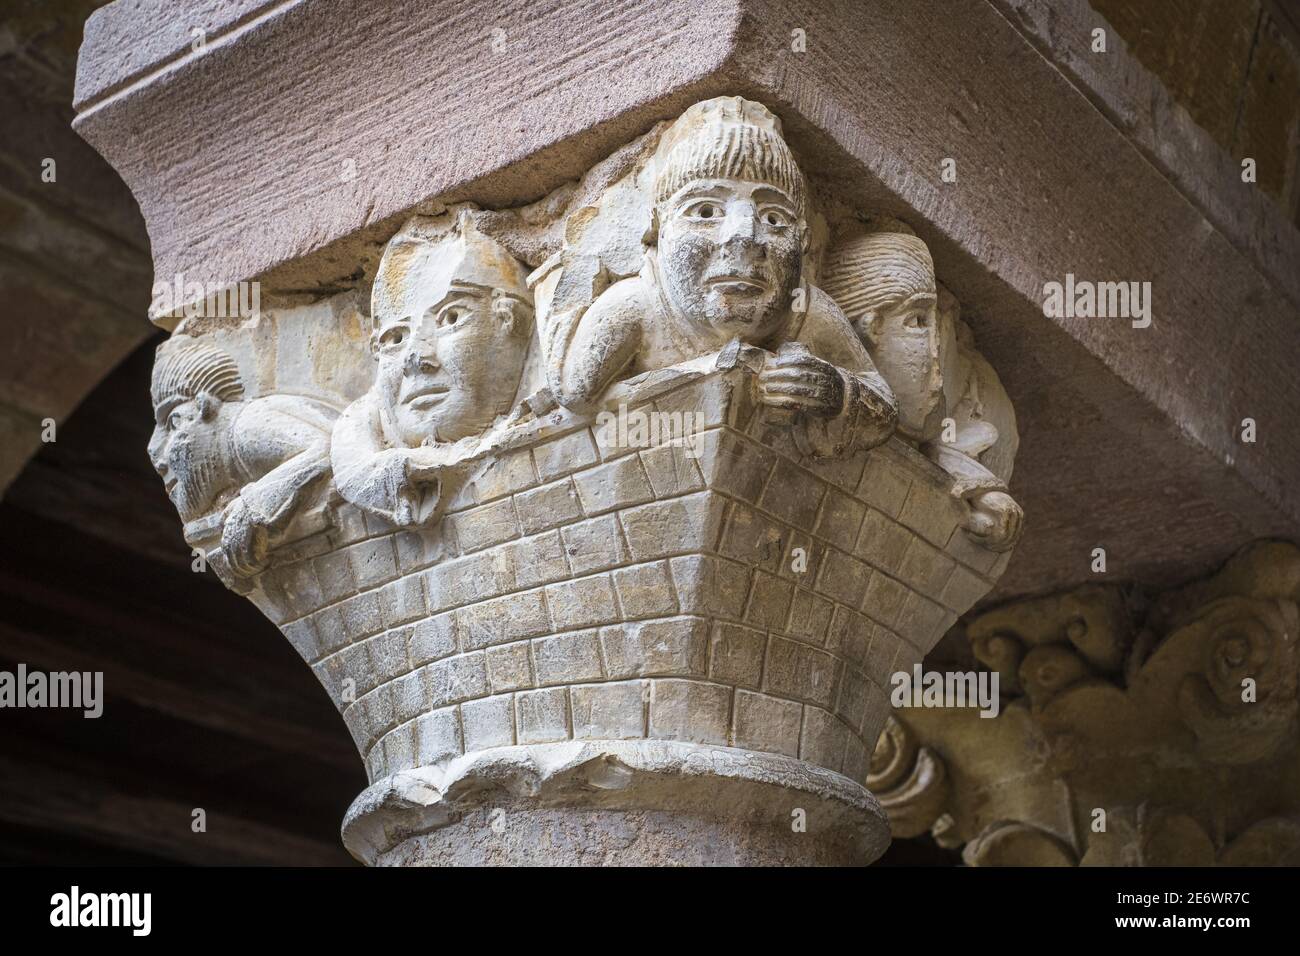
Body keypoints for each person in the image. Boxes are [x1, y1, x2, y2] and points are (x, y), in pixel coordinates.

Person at [546, 95, 897, 459]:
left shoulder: (807, 311)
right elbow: (575, 396)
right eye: (705, 210)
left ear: (804, 243)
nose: (745, 236)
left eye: (775, 219)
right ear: (657, 230)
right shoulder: (634, 307)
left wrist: (836, 392)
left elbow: (884, 405)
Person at [821, 227, 1023, 551]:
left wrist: (980, 486)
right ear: (868, 328)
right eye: (916, 323)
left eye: (937, 330)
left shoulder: (958, 397)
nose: (933, 354)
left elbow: (928, 436)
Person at [331, 212, 534, 526]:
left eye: (451, 318)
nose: (417, 359)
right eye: (395, 338)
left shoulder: (574, 380)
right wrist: (400, 470)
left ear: (510, 318)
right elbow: (349, 452)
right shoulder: (363, 427)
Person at [148, 335, 336, 577]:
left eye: (173, 422)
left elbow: (325, 449)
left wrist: (252, 506)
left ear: (205, 407)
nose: (158, 457)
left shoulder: (243, 427)